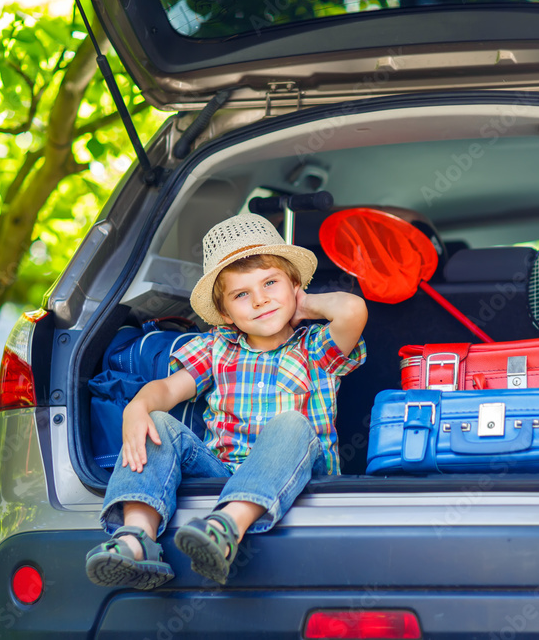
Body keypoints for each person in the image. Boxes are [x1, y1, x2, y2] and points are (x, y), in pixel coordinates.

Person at [85, 213, 368, 589]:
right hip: (223, 475)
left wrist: (306, 305)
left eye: (270, 283)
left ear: (294, 286)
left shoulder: (315, 347)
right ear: (224, 313)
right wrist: (137, 408)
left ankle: (226, 527)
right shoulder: (217, 348)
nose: (261, 299)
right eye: (241, 295)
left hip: (299, 476)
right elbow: (168, 390)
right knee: (159, 423)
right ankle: (136, 540)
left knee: (290, 424)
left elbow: (353, 311)